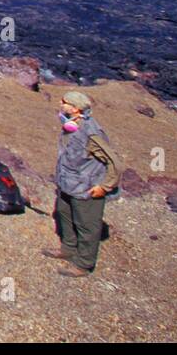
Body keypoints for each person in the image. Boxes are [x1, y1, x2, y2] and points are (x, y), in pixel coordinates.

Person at [43, 91, 119, 277]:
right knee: (63, 213)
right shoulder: (70, 125)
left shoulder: (92, 133)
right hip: (68, 184)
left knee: (87, 226)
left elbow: (115, 162)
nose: (60, 103)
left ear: (75, 108)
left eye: (64, 102)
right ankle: (68, 248)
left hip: (87, 186)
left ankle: (84, 264)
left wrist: (104, 187)